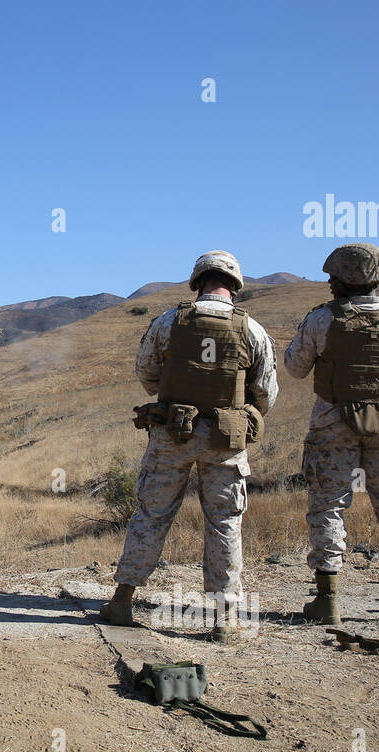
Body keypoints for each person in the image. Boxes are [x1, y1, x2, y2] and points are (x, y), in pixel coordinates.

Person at [102, 251, 278, 641]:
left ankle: (122, 602)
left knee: (151, 515)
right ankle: (225, 619)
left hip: (171, 433)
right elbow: (266, 392)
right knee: (225, 524)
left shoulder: (168, 321)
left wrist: (172, 397)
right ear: (235, 286)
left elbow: (146, 372)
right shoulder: (254, 330)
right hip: (225, 440)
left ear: (197, 282)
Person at [284, 242, 379, 625]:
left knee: (328, 507)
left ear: (347, 281)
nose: (329, 283)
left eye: (334, 277)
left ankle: (327, 601)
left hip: (333, 423)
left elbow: (296, 368)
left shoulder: (322, 320)